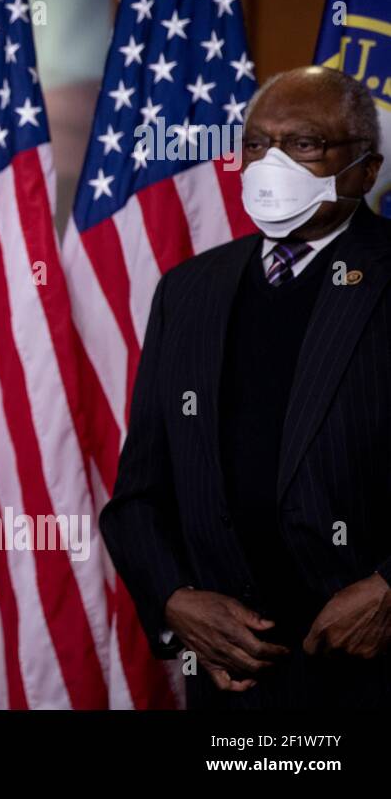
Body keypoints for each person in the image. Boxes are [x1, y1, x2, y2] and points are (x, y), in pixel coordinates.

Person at [100, 66, 391, 707]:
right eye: (257, 145)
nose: (271, 163)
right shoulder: (190, 289)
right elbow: (139, 497)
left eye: (304, 144)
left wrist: (390, 591)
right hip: (233, 679)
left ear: (367, 170)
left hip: (369, 669)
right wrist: (176, 601)